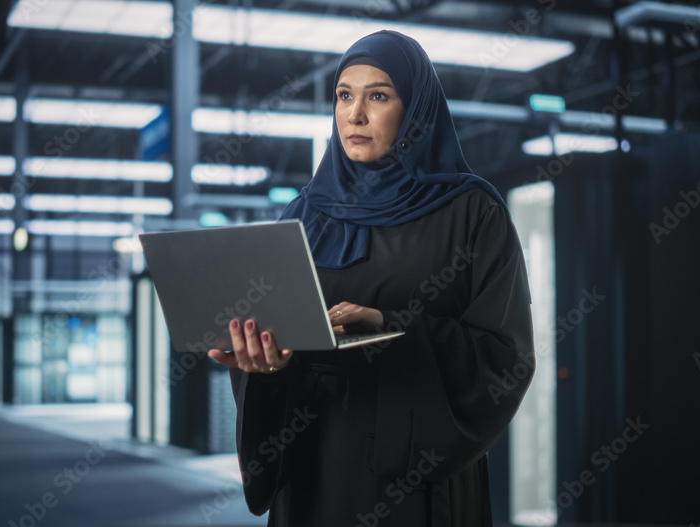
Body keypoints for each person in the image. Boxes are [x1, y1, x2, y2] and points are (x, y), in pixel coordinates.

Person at [207, 30, 535, 526]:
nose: (354, 115)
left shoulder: (473, 214)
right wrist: (263, 366)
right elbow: (276, 339)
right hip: (313, 472)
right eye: (344, 95)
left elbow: (504, 357)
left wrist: (391, 329)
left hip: (418, 484)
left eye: (378, 96)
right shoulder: (301, 216)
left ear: (415, 109)